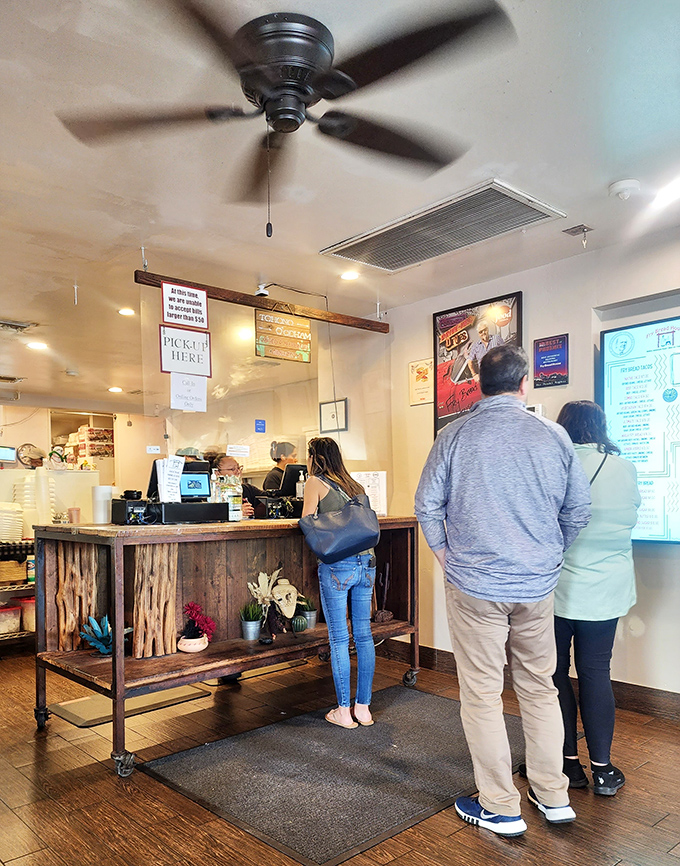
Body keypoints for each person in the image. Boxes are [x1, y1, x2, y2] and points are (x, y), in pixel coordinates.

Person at [414, 344, 591, 837]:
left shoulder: (454, 435)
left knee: (483, 696)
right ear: (524, 383)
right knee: (541, 688)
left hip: (474, 586)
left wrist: (446, 557)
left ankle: (500, 805)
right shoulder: (554, 435)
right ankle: (553, 795)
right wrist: (550, 557)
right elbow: (577, 511)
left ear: (478, 385)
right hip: (537, 586)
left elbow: (426, 505)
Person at [552, 400, 640, 796]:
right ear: (601, 427)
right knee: (595, 673)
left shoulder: (558, 464)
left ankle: (568, 765)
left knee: (554, 676)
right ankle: (603, 770)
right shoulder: (625, 467)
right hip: (605, 591)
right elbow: (632, 513)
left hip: (556, 590)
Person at [301, 437, 376, 729]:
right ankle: (364, 709)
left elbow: (307, 520)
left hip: (338, 566)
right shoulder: (355, 485)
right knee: (364, 635)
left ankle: (343, 712)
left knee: (339, 638)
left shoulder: (314, 483)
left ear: (314, 457)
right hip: (367, 564)